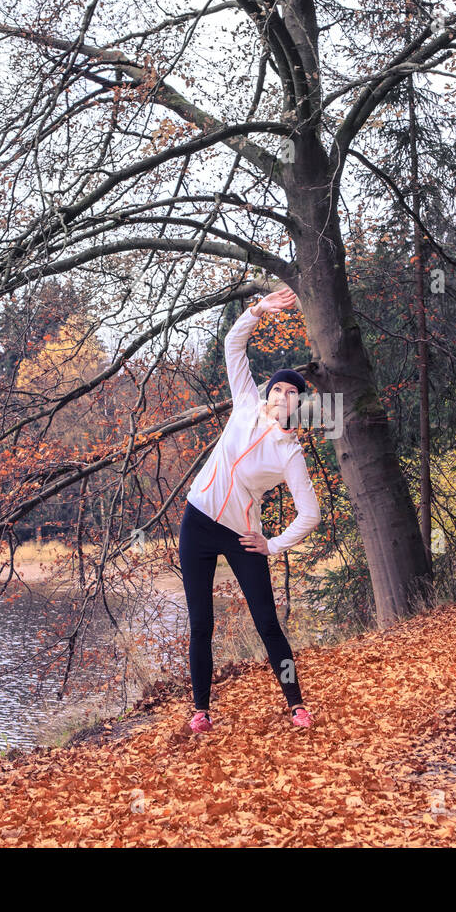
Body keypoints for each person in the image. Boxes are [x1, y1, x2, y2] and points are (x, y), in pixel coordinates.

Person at [180, 285, 322, 733]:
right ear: (268, 392)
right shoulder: (245, 403)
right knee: (201, 621)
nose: (282, 395)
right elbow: (232, 345)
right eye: (277, 388)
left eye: (290, 392)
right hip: (198, 521)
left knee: (267, 622)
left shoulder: (290, 453)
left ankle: (297, 706)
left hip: (243, 535)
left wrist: (272, 543)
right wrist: (258, 311)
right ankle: (201, 712)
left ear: (298, 404)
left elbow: (310, 513)